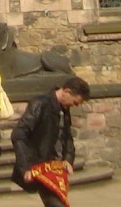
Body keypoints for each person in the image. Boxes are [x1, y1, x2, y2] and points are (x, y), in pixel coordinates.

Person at [10, 75, 89, 207]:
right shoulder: (40, 104)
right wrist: (26, 167)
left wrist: (68, 158)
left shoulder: (64, 109)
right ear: (67, 92)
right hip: (41, 167)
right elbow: (18, 134)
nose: (74, 106)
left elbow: (67, 136)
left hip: (56, 168)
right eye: (75, 102)